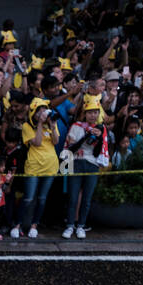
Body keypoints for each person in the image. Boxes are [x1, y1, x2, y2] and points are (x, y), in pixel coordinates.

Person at [62, 96, 111, 240]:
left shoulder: (102, 128)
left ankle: (81, 226)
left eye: (96, 112)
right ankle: (70, 225)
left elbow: (98, 152)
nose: (93, 115)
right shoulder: (76, 126)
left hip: (92, 165)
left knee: (87, 198)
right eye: (90, 112)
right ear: (85, 113)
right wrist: (87, 136)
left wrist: (100, 137)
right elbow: (71, 148)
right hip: (76, 163)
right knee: (72, 197)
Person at [14, 97, 59, 239]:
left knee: (42, 199)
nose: (43, 113)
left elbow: (56, 141)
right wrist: (40, 123)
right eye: (39, 111)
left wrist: (52, 126)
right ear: (33, 113)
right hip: (33, 167)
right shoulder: (27, 126)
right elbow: (37, 142)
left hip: (50, 166)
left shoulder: (51, 124)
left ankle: (34, 225)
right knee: (28, 198)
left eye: (44, 110)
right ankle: (17, 225)